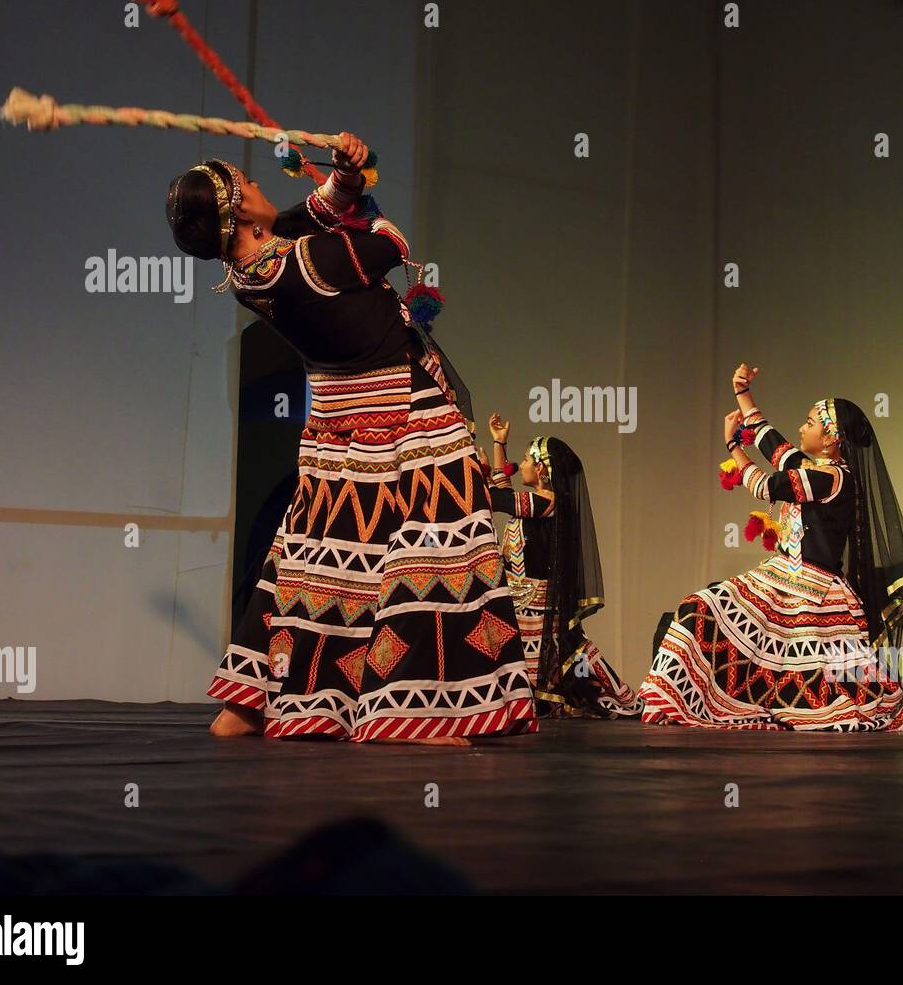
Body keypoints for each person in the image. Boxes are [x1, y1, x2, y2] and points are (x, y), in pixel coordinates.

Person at [165, 138, 536, 744]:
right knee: (432, 554)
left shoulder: (250, 273)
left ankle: (252, 707)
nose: (262, 188)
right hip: (404, 419)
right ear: (240, 215)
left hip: (337, 427)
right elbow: (390, 243)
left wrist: (343, 179)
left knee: (320, 569)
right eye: (247, 185)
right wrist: (360, 195)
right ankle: (422, 710)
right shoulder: (312, 263)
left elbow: (305, 217)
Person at [638, 364, 903, 731]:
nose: (802, 427)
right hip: (784, 576)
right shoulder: (814, 469)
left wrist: (732, 448)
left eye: (809, 421)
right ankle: (693, 697)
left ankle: (727, 701)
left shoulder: (830, 477)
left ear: (832, 438)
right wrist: (742, 393)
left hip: (812, 588)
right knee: (702, 608)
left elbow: (765, 485)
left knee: (814, 678)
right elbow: (773, 445)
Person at [480, 415, 640, 717]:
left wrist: (478, 472)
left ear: (541, 469)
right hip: (518, 599)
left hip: (533, 602)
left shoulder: (547, 502)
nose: (522, 465)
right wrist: (499, 442)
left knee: (548, 660)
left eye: (526, 460)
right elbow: (502, 490)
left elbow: (497, 498)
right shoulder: (535, 502)